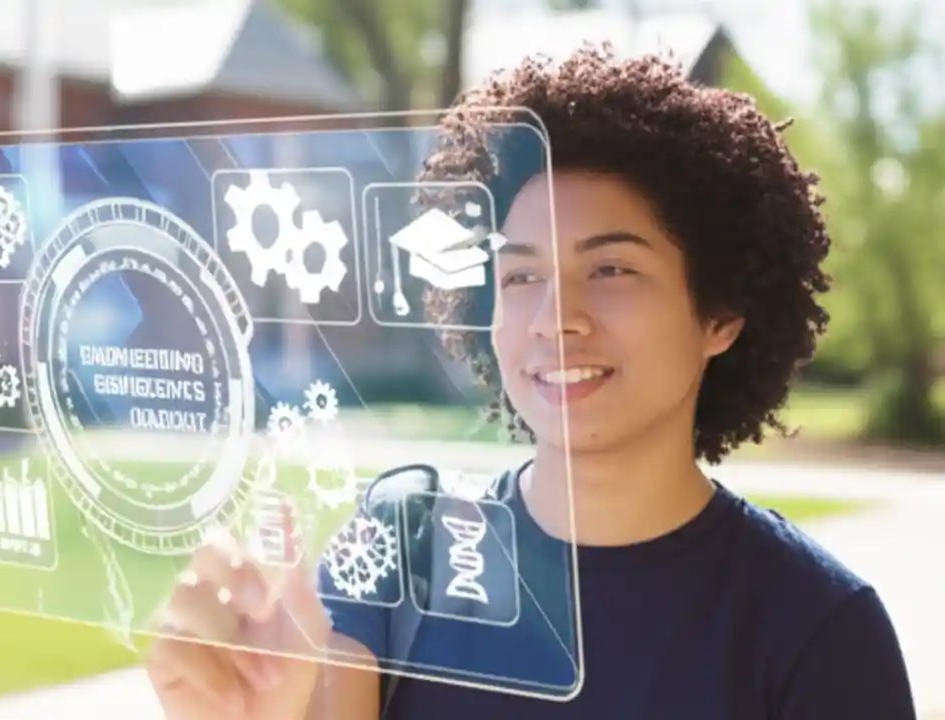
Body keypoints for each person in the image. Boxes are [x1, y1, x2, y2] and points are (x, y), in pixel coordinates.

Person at [144, 46, 917, 719]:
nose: (557, 316)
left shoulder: (818, 632)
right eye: (520, 276)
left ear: (719, 315)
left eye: (610, 269)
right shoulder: (405, 544)